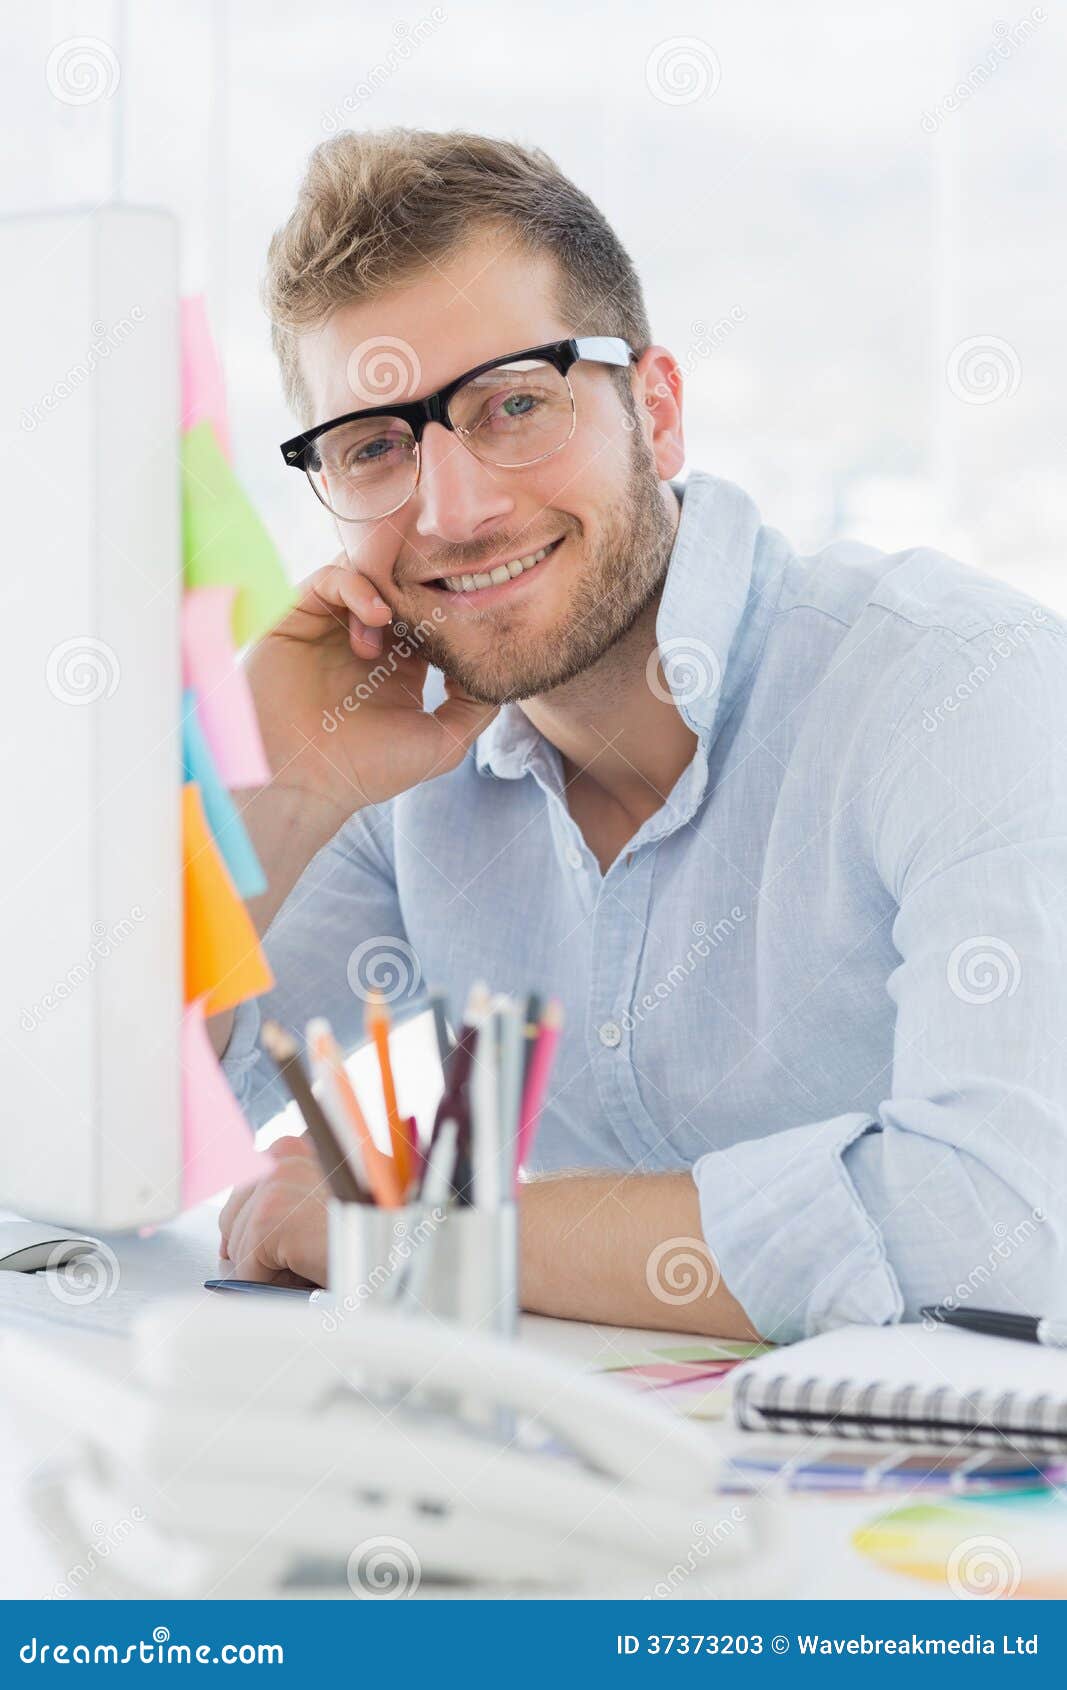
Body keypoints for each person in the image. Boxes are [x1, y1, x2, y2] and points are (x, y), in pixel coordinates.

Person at [216, 128, 1067, 1341]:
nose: (453, 510)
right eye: (374, 448)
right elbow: (98, 1137)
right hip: (601, 1504)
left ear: (655, 414)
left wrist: (420, 1237)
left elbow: (1004, 1229)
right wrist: (280, 795)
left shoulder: (965, 690)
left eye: (514, 403)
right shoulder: (395, 770)